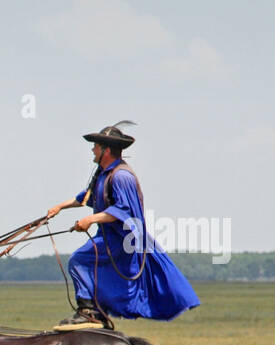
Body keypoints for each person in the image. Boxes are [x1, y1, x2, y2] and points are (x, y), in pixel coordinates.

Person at [46, 121, 200, 330]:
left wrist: (90, 220)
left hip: (122, 240)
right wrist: (59, 207)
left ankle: (88, 312)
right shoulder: (103, 175)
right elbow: (86, 198)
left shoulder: (121, 176)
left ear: (106, 150)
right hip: (108, 237)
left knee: (79, 260)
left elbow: (124, 211)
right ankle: (95, 310)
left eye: (96, 146)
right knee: (84, 262)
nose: (92, 149)